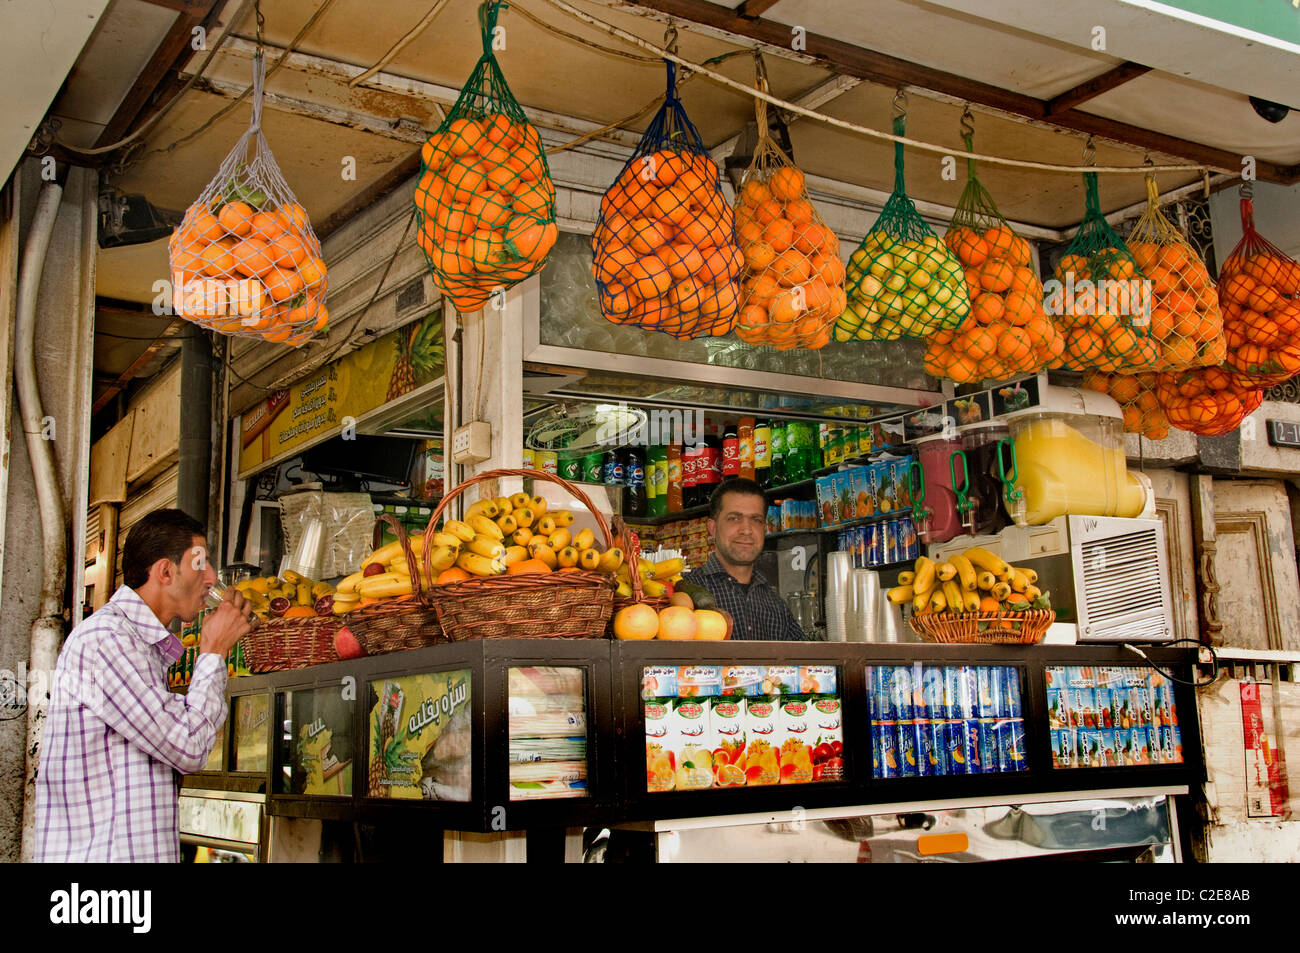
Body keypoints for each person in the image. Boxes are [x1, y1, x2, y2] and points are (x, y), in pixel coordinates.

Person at [34, 508, 254, 862]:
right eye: (201, 563)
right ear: (165, 572)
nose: (212, 577)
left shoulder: (139, 646)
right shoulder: (108, 641)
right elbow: (188, 744)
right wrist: (213, 650)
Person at [679, 477, 809, 641]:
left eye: (756, 520)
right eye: (734, 518)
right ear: (712, 528)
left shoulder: (776, 605)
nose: (746, 530)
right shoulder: (686, 591)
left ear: (764, 529)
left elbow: (803, 664)